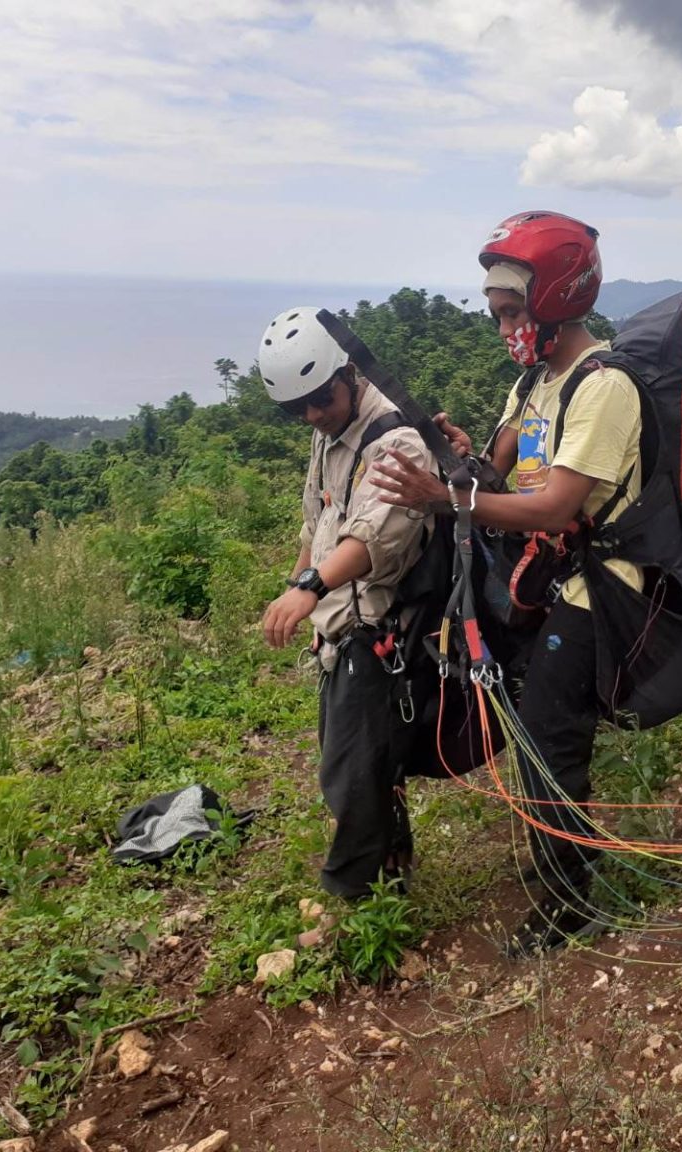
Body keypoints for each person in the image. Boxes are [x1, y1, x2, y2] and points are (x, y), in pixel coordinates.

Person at [373, 211, 643, 956]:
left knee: (548, 742)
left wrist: (441, 498)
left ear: (557, 299)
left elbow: (557, 504)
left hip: (597, 583)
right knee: (531, 730)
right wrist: (462, 460)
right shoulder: (536, 382)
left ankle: (568, 901)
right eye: (498, 314)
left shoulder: (601, 387)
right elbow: (505, 475)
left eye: (512, 312)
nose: (503, 328)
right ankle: (564, 866)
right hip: (542, 576)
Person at [257, 306, 436, 902]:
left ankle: (351, 899)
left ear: (349, 374)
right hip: (340, 626)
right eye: (295, 408)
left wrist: (310, 590)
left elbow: (369, 542)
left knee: (351, 775)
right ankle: (391, 872)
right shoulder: (328, 434)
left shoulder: (397, 440)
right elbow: (319, 524)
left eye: (319, 399)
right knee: (363, 763)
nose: (311, 415)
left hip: (379, 630)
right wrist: (300, 590)